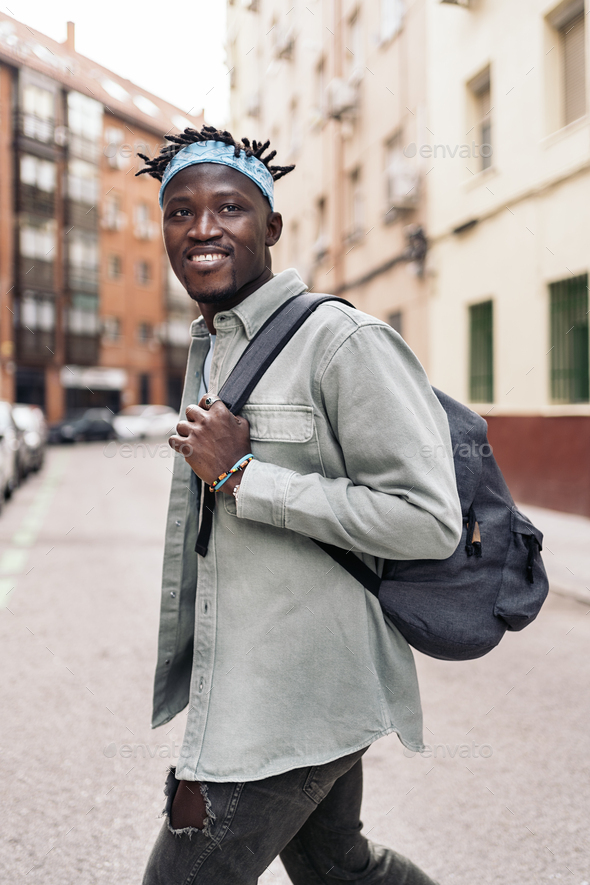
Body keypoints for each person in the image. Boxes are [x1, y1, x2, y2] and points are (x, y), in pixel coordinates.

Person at [138, 124, 462, 884]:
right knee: (341, 869)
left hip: (291, 697)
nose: (203, 228)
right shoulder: (212, 346)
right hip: (251, 683)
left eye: (229, 208)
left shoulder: (341, 341)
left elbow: (428, 517)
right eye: (180, 212)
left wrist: (248, 477)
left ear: (272, 226)